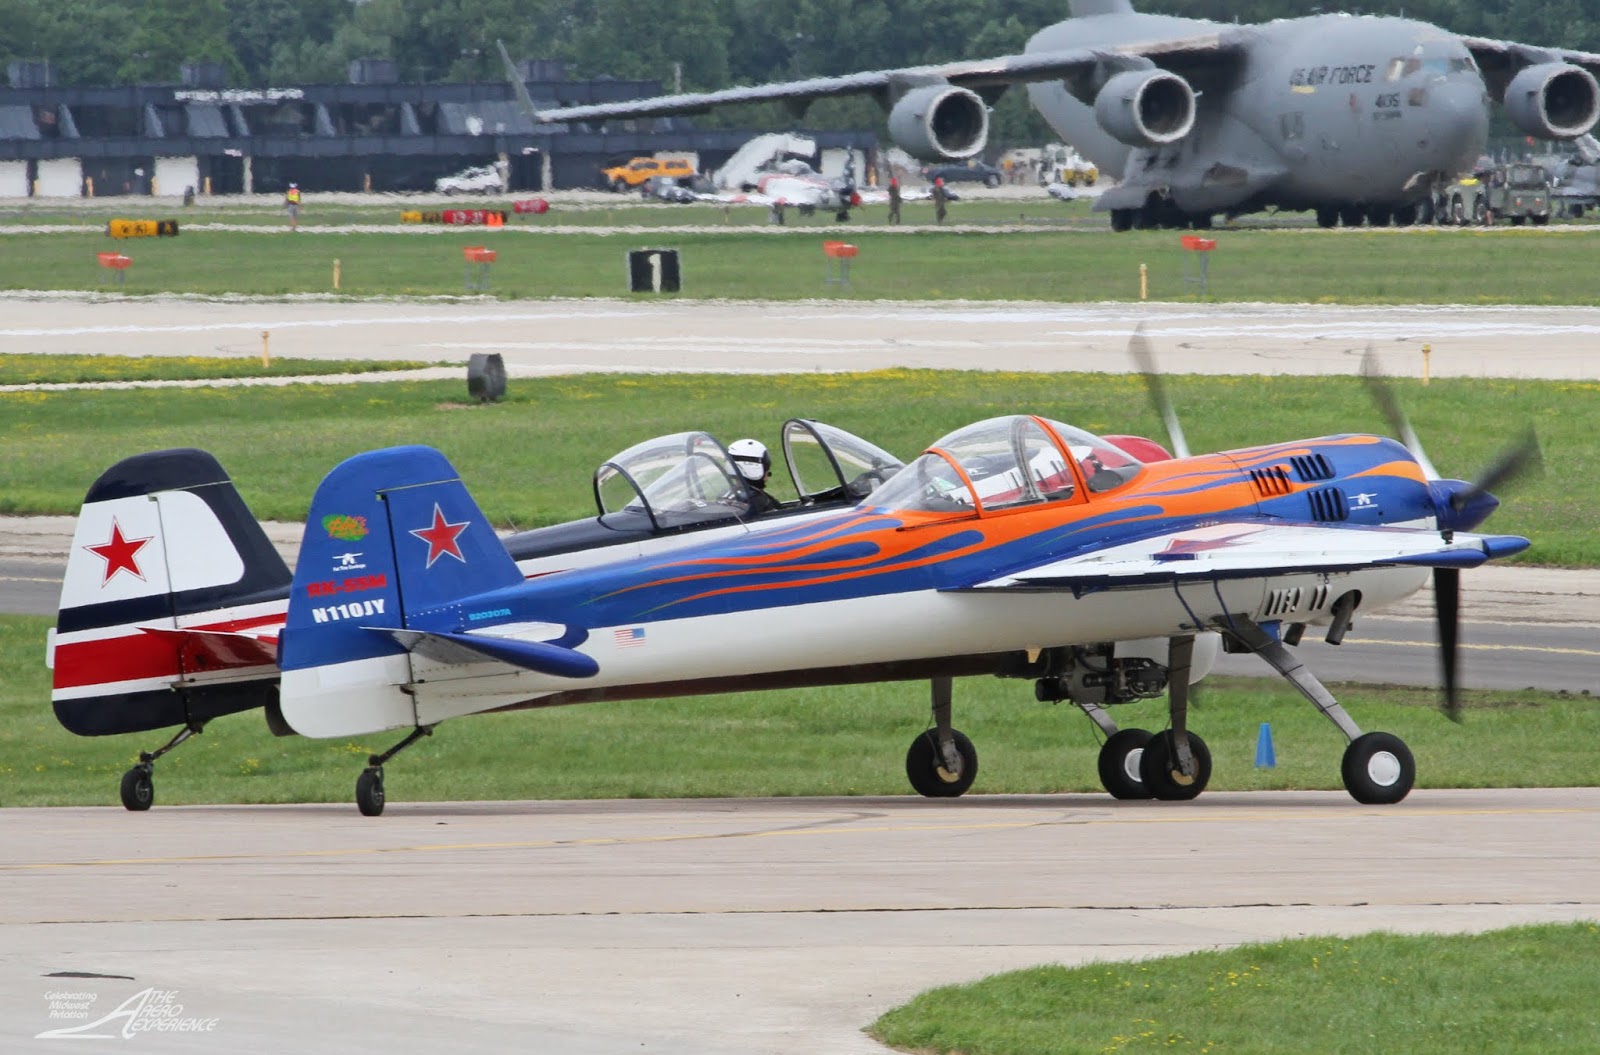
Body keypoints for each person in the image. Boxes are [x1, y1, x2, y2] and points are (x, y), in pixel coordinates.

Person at [727, 438, 782, 515]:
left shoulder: (726, 495)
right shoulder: (760, 502)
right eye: (766, 470)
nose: (767, 477)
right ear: (753, 467)